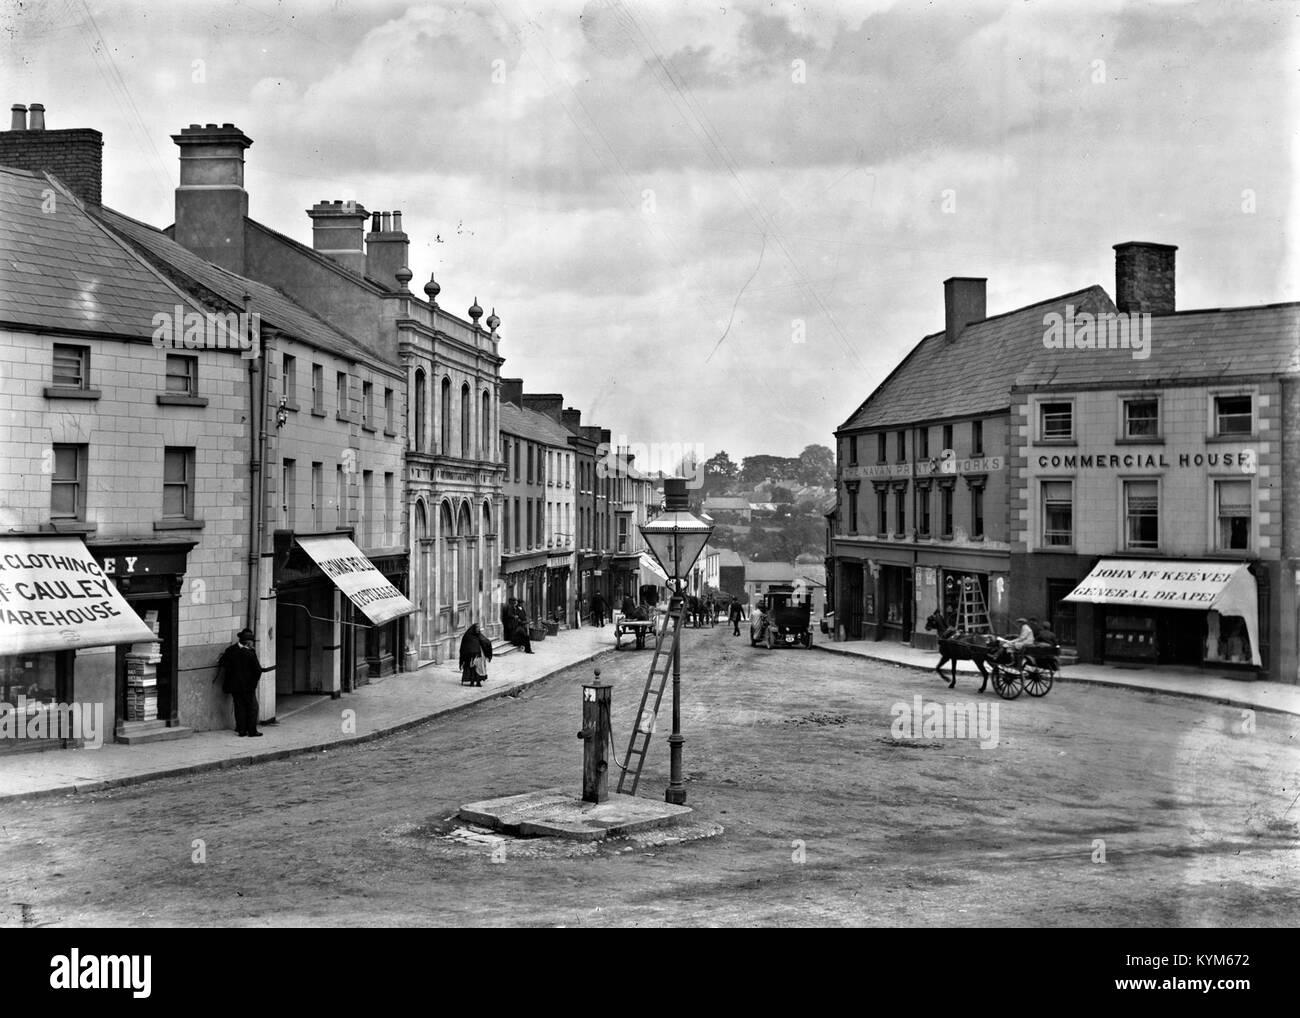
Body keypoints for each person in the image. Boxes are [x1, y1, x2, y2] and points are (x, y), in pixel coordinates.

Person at [215, 627, 263, 737]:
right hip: (248, 687)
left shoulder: (231, 650)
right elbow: (257, 670)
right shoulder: (250, 653)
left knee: (239, 707)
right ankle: (252, 731)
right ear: (249, 642)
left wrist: (233, 671)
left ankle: (241, 730)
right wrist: (253, 683)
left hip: (235, 686)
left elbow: (222, 662)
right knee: (252, 707)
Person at [459, 622, 493, 686]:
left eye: (479, 628)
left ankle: (478, 682)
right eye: (477, 628)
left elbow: (484, 641)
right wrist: (471, 653)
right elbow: (466, 646)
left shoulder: (478, 635)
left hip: (479, 656)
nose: (478, 629)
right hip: (470, 657)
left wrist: (487, 644)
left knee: (479, 668)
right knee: (472, 669)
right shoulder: (468, 636)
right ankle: (472, 681)